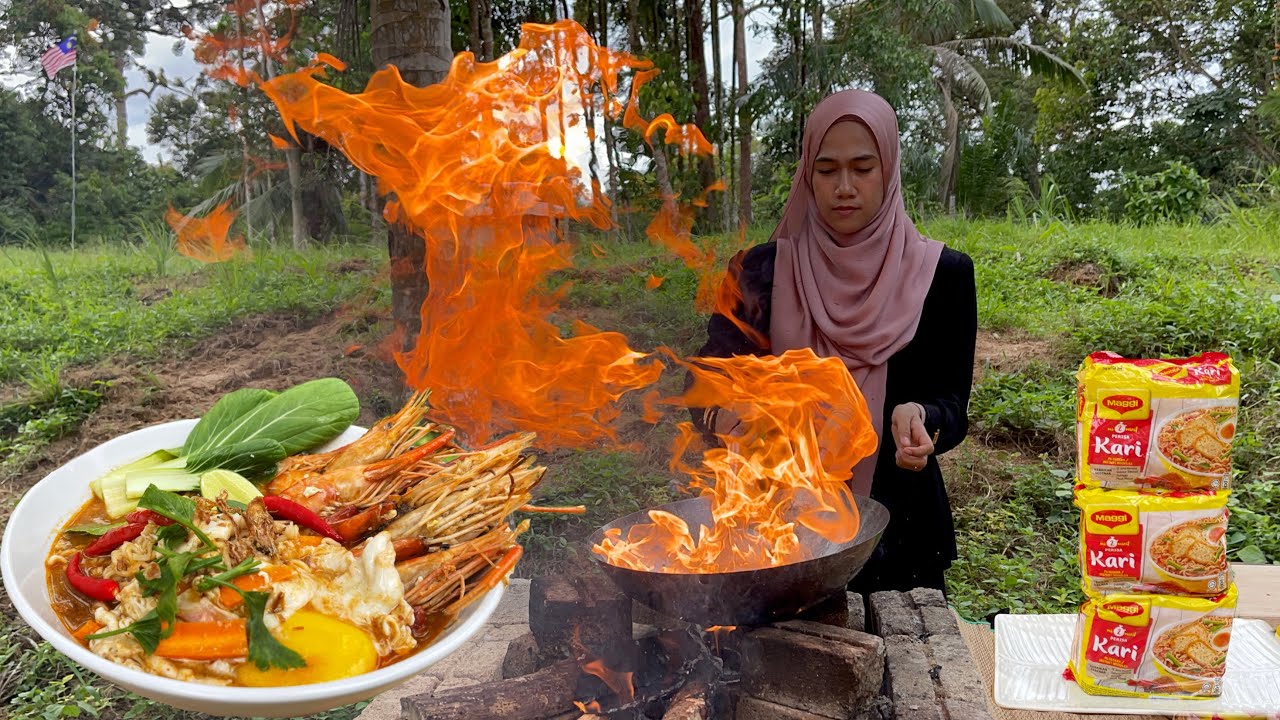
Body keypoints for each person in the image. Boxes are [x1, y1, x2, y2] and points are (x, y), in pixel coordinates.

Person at [693, 89, 977, 594]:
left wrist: (925, 420)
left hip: (898, 539)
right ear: (808, 174)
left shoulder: (943, 275)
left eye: (862, 168)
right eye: (827, 170)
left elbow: (952, 403)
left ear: (888, 170)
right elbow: (706, 383)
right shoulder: (759, 272)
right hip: (775, 536)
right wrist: (726, 413)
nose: (844, 186)